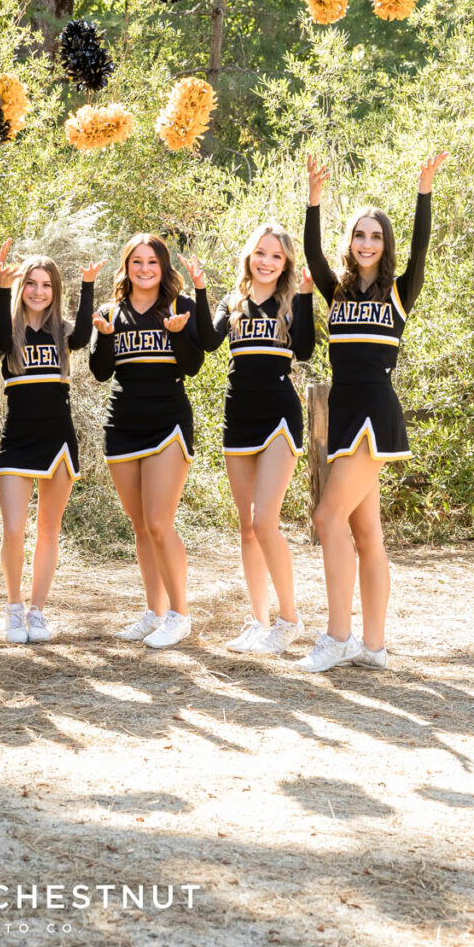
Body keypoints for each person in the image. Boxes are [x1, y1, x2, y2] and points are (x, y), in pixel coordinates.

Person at [299, 152, 447, 672]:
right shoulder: (336, 291)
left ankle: (338, 637)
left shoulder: (401, 292)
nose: (367, 243)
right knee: (366, 533)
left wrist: (423, 191)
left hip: (374, 415)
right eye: (360, 235)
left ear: (385, 245)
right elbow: (313, 253)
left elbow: (423, 248)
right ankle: (375, 646)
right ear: (352, 241)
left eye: (376, 236)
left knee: (326, 516)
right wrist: (314, 198)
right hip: (342, 414)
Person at [188, 225, 314, 656]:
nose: (266, 261)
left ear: (286, 264)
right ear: (250, 256)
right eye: (260, 253)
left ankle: (289, 619)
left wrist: (310, 299)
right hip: (238, 417)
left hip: (279, 415)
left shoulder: (293, 302)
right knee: (246, 528)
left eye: (276, 256)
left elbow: (309, 350)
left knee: (264, 521)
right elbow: (206, 342)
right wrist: (202, 290)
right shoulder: (233, 301)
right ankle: (260, 622)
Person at [89, 234, 203, 649]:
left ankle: (179, 614)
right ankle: (154, 613)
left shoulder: (181, 306)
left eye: (152, 262)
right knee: (140, 527)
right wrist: (103, 335)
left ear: (163, 267)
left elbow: (193, 366)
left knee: (159, 522)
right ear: (127, 266)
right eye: (137, 261)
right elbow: (101, 373)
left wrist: (176, 334)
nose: (144, 269)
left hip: (167, 422)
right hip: (122, 423)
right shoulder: (110, 311)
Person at [0, 242, 103, 644]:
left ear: (56, 290)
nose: (39, 291)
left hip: (58, 438)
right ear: (22, 288)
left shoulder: (64, 333)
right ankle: (14, 608)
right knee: (14, 529)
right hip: (17, 441)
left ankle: (38, 610)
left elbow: (87, 335)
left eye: (47, 285)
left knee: (49, 529)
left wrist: (87, 286)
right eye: (32, 284)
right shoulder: (8, 332)